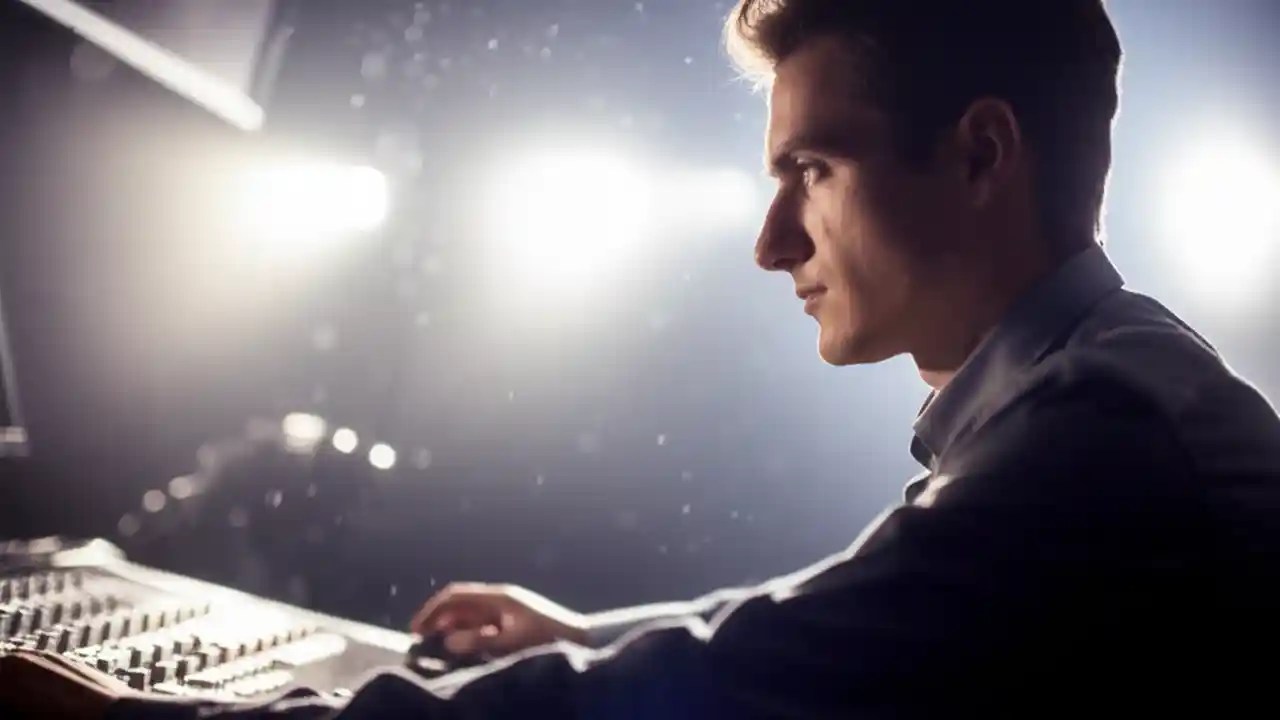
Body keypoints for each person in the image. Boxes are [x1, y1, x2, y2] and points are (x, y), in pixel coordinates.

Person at [3, 0, 1279, 716]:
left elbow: (746, 686)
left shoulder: (1098, 438)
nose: (771, 242)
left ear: (981, 155)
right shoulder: (1104, 389)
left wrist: (144, 719)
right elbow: (836, 621)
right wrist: (586, 634)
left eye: (811, 169)